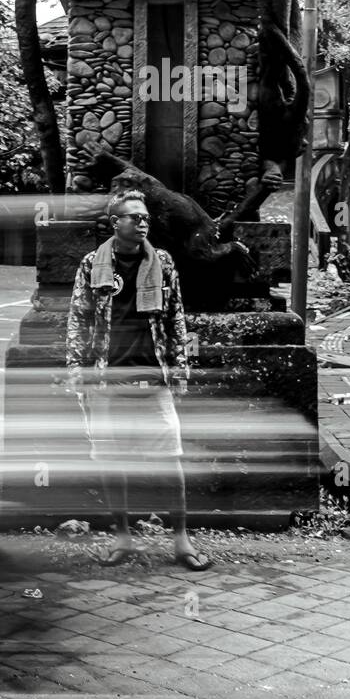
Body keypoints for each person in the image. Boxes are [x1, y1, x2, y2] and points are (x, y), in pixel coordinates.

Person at [66, 190, 212, 570]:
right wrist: (76, 374)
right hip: (107, 381)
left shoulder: (162, 261)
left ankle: (181, 541)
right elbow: (79, 321)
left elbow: (177, 317)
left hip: (154, 379)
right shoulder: (91, 265)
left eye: (145, 216)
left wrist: (181, 369)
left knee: (171, 464)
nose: (143, 222)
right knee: (111, 464)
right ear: (116, 223)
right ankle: (123, 537)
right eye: (134, 217)